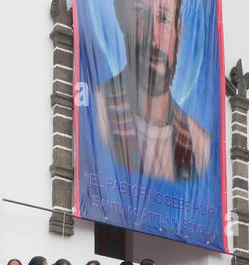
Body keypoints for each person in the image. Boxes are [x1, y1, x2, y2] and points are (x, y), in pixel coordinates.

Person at [83, 0, 212, 184]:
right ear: (121, 18)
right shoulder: (95, 114)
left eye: (163, 18)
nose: (154, 39)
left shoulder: (200, 147)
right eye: (141, 14)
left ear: (179, 31)